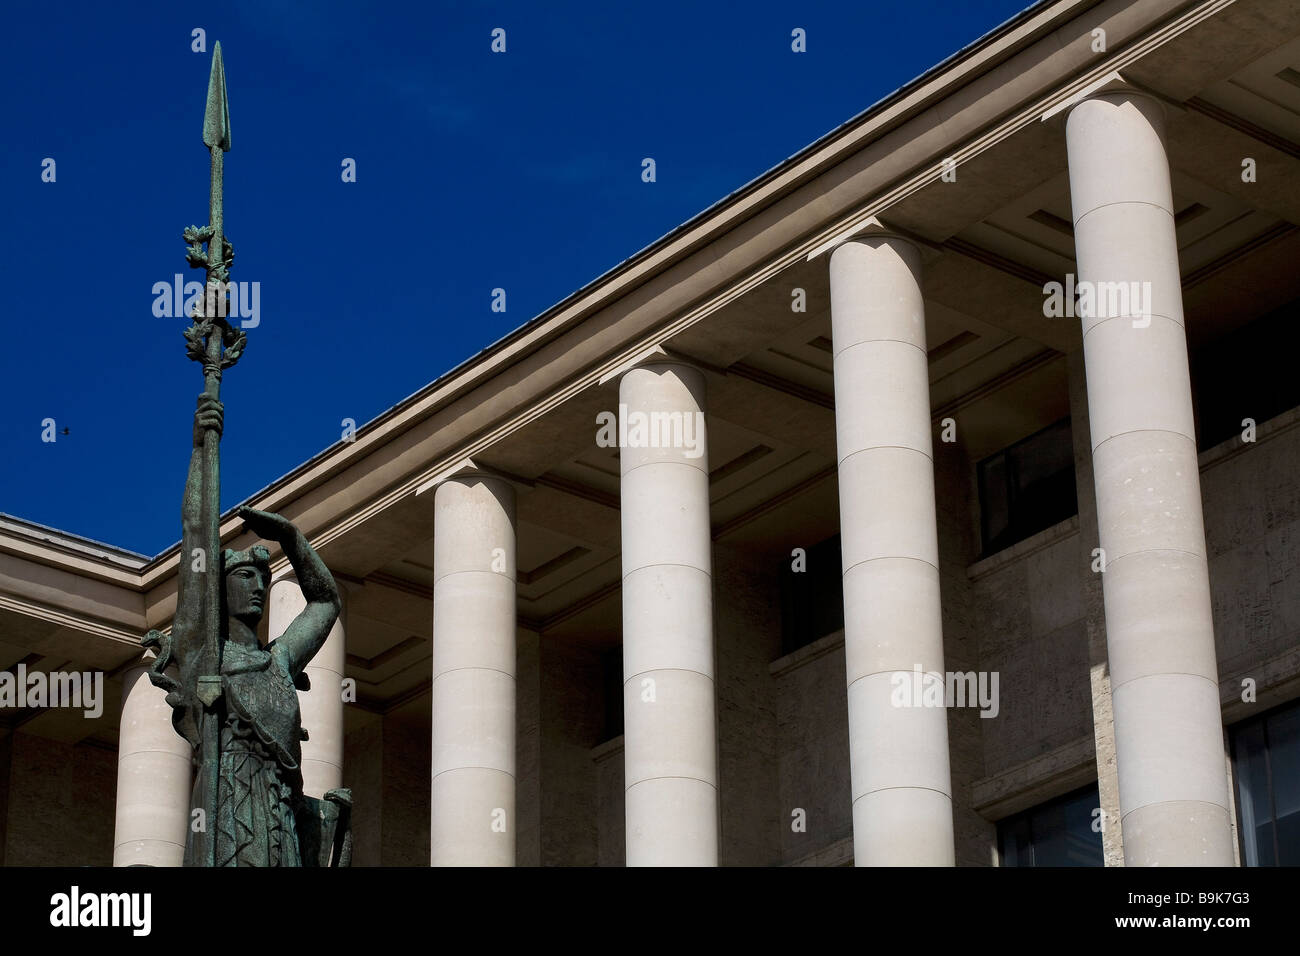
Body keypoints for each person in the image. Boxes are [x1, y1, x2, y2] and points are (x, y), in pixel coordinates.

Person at [143, 393, 347, 866]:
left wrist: (292, 539)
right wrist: (201, 447)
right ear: (219, 589)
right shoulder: (204, 657)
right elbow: (196, 527)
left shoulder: (278, 661)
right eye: (243, 577)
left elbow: (326, 601)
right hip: (225, 814)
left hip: (278, 819)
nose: (257, 586)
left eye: (263, 578)